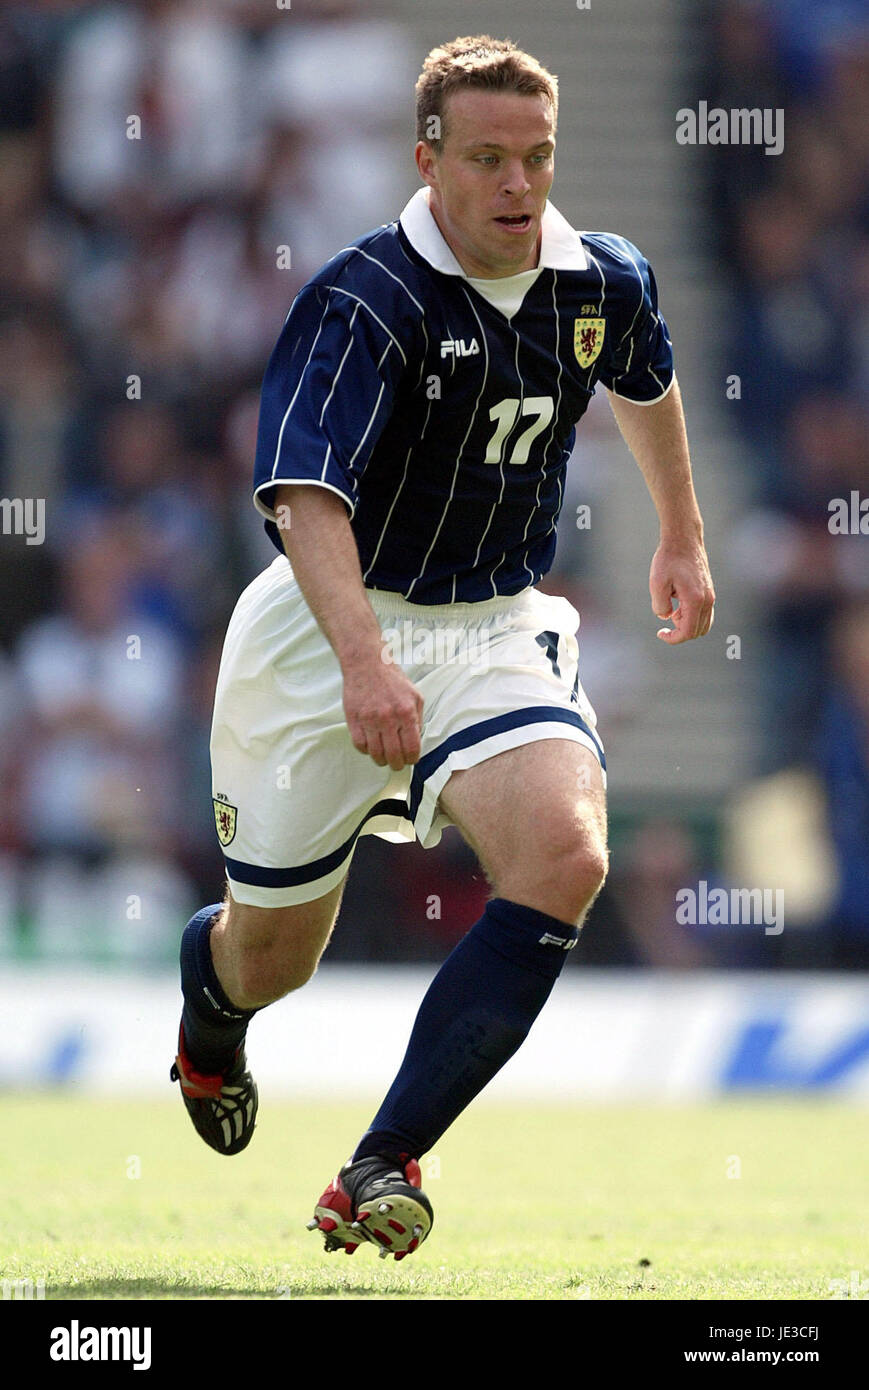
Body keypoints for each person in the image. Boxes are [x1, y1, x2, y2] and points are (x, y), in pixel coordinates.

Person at [170, 34, 715, 1260]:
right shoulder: (367, 298)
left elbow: (648, 374)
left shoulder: (599, 278)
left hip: (494, 627)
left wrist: (679, 533)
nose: (517, 186)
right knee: (272, 959)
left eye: (535, 157)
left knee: (566, 853)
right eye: (486, 160)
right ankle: (210, 1013)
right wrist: (364, 659)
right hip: (327, 633)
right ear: (427, 162)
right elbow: (306, 496)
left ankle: (379, 1160)